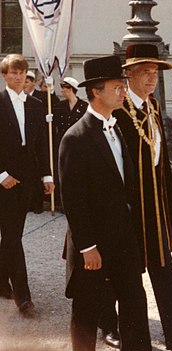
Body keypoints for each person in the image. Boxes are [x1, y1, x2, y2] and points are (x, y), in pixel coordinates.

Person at [98, 44, 172, 351]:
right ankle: (110, 326)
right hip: (129, 203)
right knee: (121, 268)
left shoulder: (154, 106)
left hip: (155, 200)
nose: (151, 79)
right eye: (145, 72)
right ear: (129, 74)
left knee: (163, 262)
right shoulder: (118, 110)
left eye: (155, 72)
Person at [59, 55, 152, 351]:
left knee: (135, 305)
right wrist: (87, 246)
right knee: (87, 310)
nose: (123, 92)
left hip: (123, 239)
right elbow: (72, 199)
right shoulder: (75, 138)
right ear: (96, 92)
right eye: (117, 87)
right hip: (93, 245)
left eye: (123, 87)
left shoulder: (117, 129)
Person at [0, 54, 54, 314]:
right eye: (13, 73)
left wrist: (47, 175)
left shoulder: (35, 104)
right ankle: (23, 297)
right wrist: (1, 174)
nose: (18, 77)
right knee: (12, 236)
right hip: (2, 179)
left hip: (25, 180)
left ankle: (1, 282)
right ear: (4, 76)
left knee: (11, 235)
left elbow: (41, 142)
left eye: (21, 72)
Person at [53, 77, 88, 208]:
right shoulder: (59, 106)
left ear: (72, 89)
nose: (62, 91)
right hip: (61, 142)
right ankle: (61, 202)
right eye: (62, 88)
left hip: (78, 144)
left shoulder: (84, 107)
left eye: (65, 88)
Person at [23, 70, 45, 214]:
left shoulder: (40, 97)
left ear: (32, 83)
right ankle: (27, 204)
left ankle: (37, 204)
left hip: (37, 140)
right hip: (24, 140)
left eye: (27, 81)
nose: (24, 84)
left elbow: (52, 103)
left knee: (36, 175)